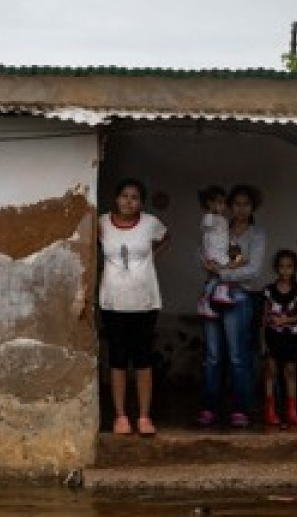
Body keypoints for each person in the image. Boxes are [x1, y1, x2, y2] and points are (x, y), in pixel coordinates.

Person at [98, 177, 170, 437]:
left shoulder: (150, 223)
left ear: (141, 202)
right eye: (125, 196)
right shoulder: (103, 223)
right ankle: (120, 417)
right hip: (113, 302)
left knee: (143, 361)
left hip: (145, 302)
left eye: (135, 197)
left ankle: (144, 416)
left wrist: (151, 258)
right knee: (117, 360)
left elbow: (166, 238)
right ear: (116, 199)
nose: (129, 201)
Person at [198, 184, 267, 429]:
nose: (240, 209)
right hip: (213, 293)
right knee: (213, 356)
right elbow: (204, 252)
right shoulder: (220, 227)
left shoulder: (256, 234)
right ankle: (209, 408)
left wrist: (223, 273)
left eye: (246, 204)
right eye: (236, 204)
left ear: (253, 207)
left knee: (238, 356)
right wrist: (207, 263)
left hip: (240, 296)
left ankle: (240, 408)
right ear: (229, 206)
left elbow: (254, 270)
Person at [261, 249, 297, 428]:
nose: (285, 271)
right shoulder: (268, 290)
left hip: (291, 337)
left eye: (289, 267)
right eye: (281, 267)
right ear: (276, 269)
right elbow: (264, 317)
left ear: (294, 269)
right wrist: (262, 340)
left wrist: (286, 320)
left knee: (290, 372)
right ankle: (270, 410)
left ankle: (291, 410)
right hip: (272, 336)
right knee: (270, 372)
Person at [196, 185, 243, 318]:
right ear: (210, 204)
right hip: (214, 254)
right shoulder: (208, 217)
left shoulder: (222, 219)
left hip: (221, 252)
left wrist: (234, 250)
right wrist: (211, 210)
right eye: (220, 203)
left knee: (216, 278)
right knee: (225, 272)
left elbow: (227, 237)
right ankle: (214, 296)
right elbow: (206, 232)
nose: (223, 206)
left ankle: (208, 300)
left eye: (224, 203)